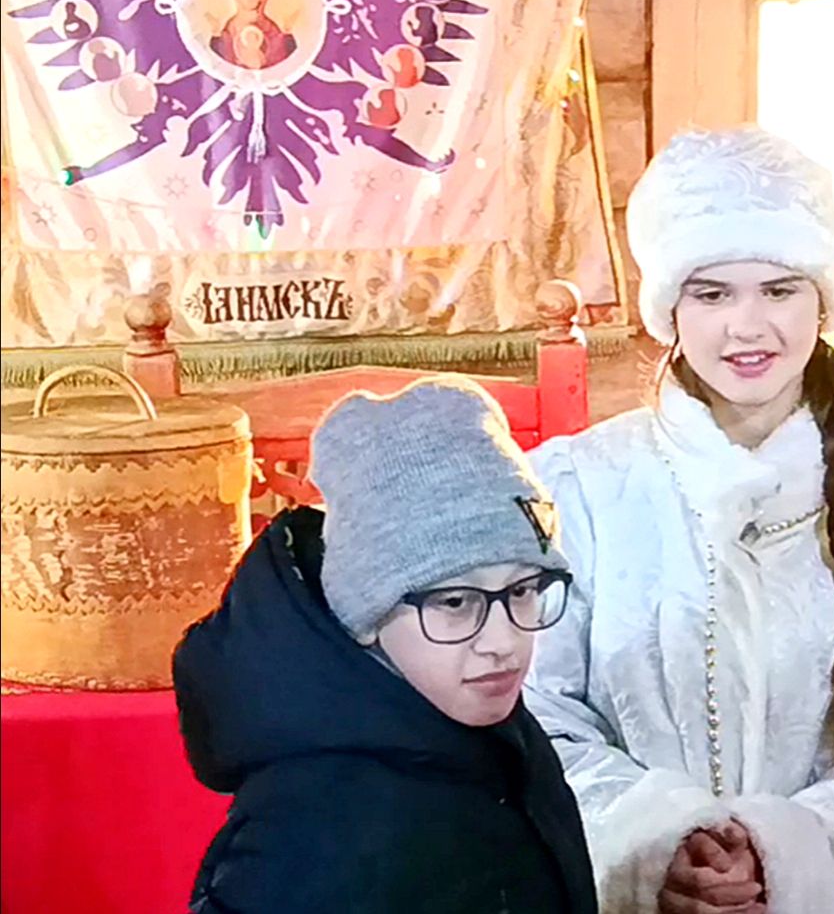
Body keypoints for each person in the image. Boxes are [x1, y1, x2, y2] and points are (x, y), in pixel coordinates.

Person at [523, 126, 834, 914]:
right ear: (669, 309)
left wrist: (784, 859)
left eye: (779, 289)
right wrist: (656, 848)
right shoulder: (579, 489)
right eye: (711, 293)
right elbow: (537, 716)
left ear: (825, 300)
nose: (747, 326)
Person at [174, 376, 597, 914]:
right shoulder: (317, 834)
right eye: (454, 602)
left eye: (523, 590)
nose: (503, 641)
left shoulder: (489, 730)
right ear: (366, 613)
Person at [211, 0, 295, 69]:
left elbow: (281, 56)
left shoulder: (269, 27)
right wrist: (216, 36)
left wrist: (287, 37)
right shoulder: (232, 26)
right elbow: (221, 57)